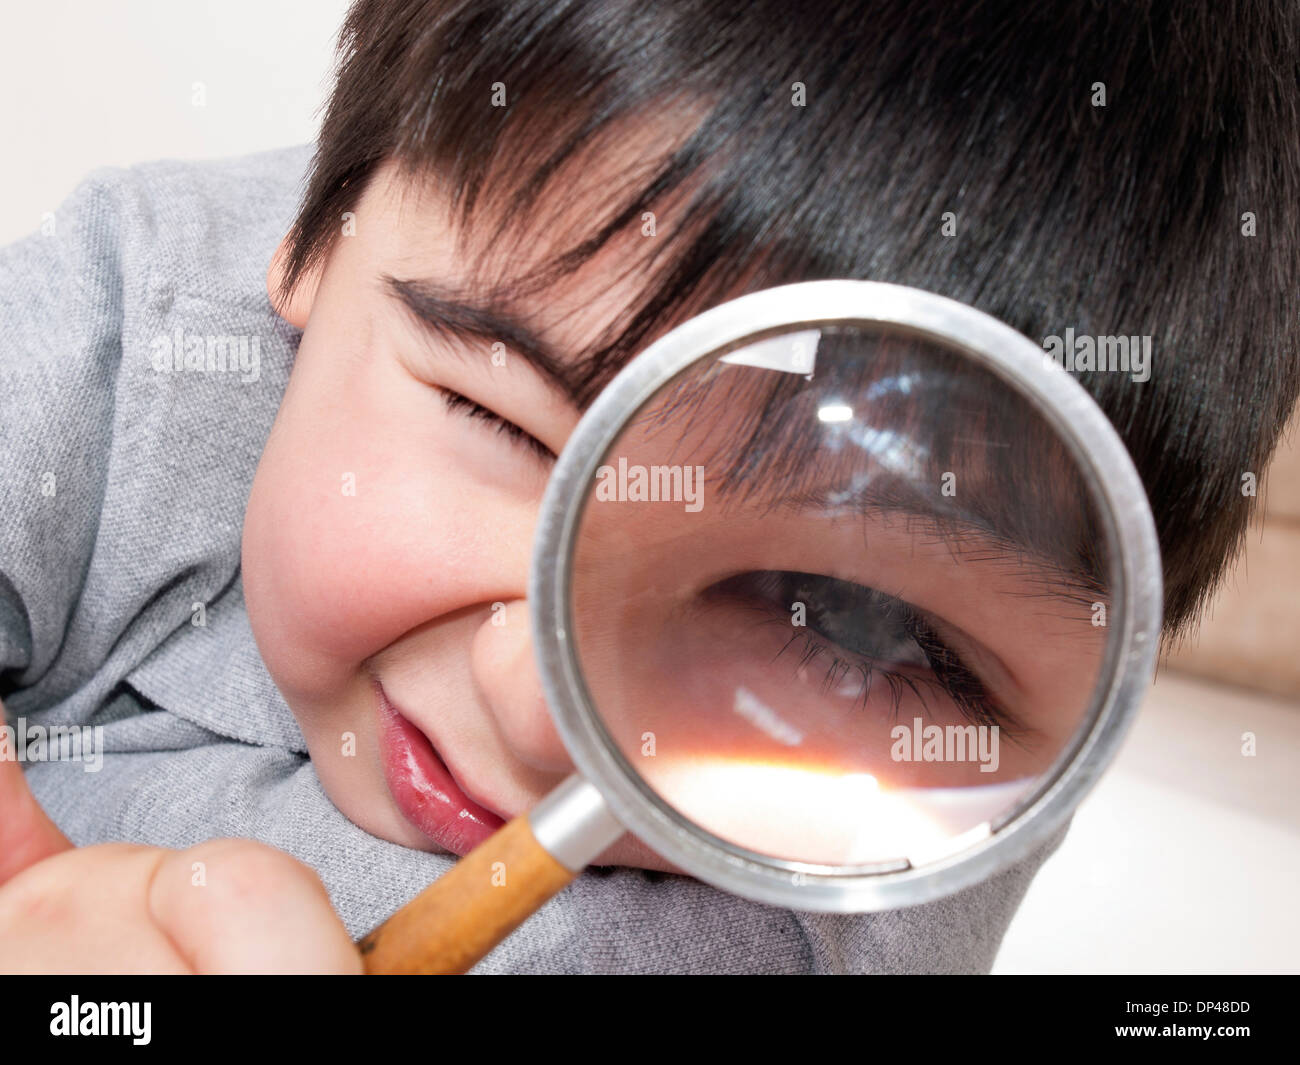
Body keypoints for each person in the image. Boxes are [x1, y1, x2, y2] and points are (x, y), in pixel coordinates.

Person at [1, 0, 1295, 973]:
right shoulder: (162, 313)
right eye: (497, 419)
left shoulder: (856, 870)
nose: (542, 705)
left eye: (849, 622)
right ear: (306, 246)